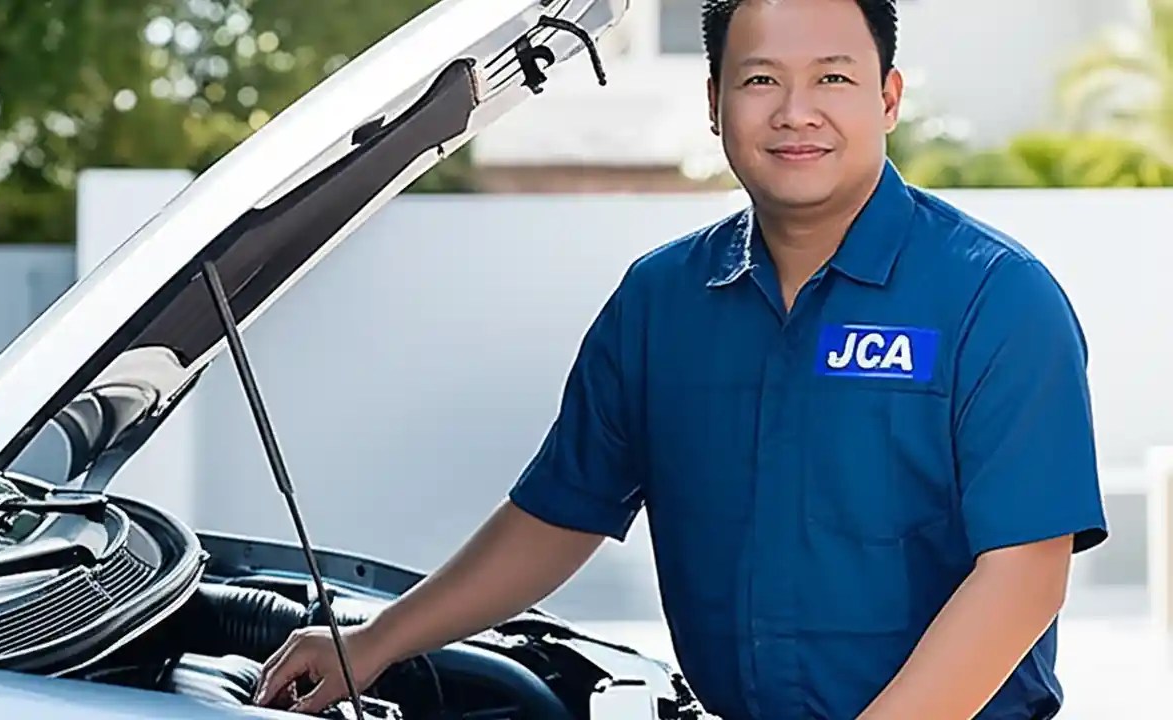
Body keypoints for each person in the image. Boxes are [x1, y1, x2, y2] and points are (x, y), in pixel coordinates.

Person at [253, 0, 1109, 717]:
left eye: (834, 78)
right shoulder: (660, 303)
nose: (794, 111)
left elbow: (1025, 576)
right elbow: (559, 514)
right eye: (760, 79)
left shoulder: (995, 299)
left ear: (888, 97)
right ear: (714, 100)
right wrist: (375, 643)